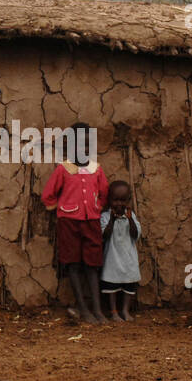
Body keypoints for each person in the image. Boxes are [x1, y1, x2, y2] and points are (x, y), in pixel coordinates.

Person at [41, 122, 109, 324]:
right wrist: (62, 207)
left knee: (92, 264)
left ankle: (97, 309)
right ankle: (83, 309)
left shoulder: (96, 169)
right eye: (78, 145)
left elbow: (104, 193)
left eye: (87, 145)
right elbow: (48, 195)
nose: (83, 149)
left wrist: (96, 208)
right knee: (73, 263)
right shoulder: (63, 169)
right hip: (69, 222)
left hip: (91, 221)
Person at [99, 180, 142, 322]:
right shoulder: (105, 217)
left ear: (128, 201)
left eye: (123, 200)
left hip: (128, 259)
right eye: (115, 200)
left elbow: (135, 235)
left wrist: (130, 220)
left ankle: (125, 310)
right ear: (109, 200)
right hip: (112, 259)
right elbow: (104, 236)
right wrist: (112, 220)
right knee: (111, 286)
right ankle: (114, 312)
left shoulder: (131, 216)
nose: (119, 204)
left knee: (129, 285)